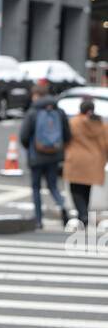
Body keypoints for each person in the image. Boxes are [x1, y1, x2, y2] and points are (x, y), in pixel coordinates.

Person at [20, 82, 72, 229]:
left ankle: (38, 219)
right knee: (53, 186)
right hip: (54, 155)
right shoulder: (59, 111)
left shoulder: (33, 112)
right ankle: (63, 208)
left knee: (36, 187)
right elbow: (67, 134)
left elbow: (24, 136)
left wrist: (30, 148)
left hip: (36, 155)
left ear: (37, 95)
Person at [63, 96, 108, 229]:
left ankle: (82, 214)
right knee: (87, 189)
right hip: (94, 160)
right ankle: (84, 214)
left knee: (75, 189)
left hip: (76, 160)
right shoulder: (100, 124)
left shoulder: (74, 122)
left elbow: (66, 139)